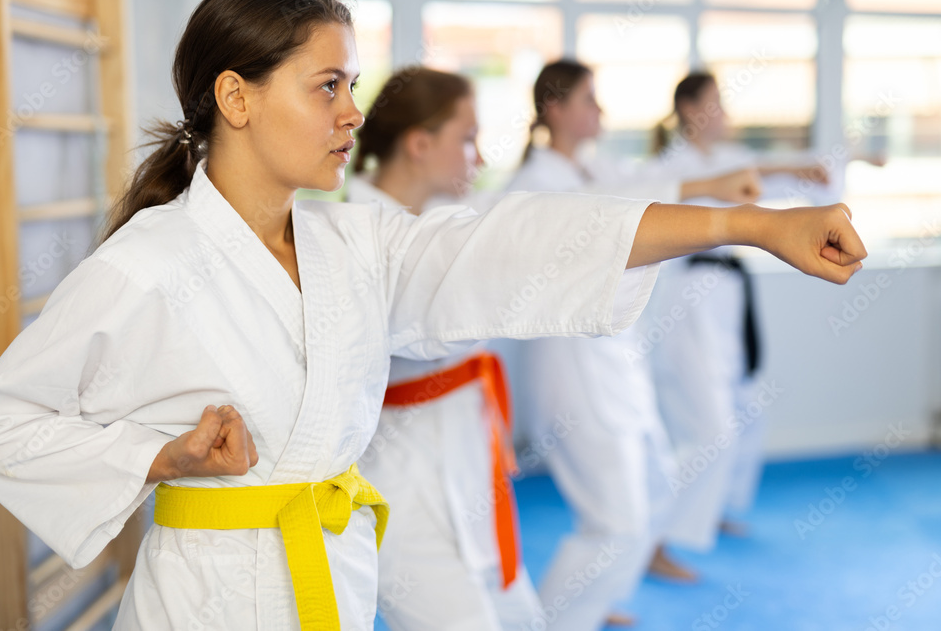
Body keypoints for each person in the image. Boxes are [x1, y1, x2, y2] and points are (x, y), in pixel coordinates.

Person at [0, 0, 866, 631]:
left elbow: (518, 241)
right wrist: (157, 455)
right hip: (209, 599)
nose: (354, 111)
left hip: (338, 576)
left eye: (352, 84)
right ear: (234, 97)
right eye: (328, 86)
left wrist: (751, 223)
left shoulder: (358, 241)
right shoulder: (149, 262)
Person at [504, 59, 763, 630]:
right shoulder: (536, 183)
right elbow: (608, 214)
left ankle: (596, 602)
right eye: (589, 99)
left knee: (653, 487)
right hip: (572, 366)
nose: (601, 110)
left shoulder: (597, 168)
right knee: (613, 518)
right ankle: (555, 620)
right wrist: (715, 192)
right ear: (555, 109)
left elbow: (640, 189)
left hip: (617, 358)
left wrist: (717, 187)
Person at [347, 66, 542, 630]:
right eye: (466, 137)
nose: (477, 157)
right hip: (398, 480)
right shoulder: (352, 230)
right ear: (419, 143)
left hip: (467, 460)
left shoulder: (443, 221)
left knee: (523, 620)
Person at [647, 72, 836, 560]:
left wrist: (815, 170)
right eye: (716, 103)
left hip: (730, 292)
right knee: (710, 425)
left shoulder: (731, 161)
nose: (726, 112)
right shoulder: (672, 166)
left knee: (745, 407)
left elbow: (767, 172)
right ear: (689, 110)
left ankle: (717, 507)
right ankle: (661, 535)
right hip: (689, 298)